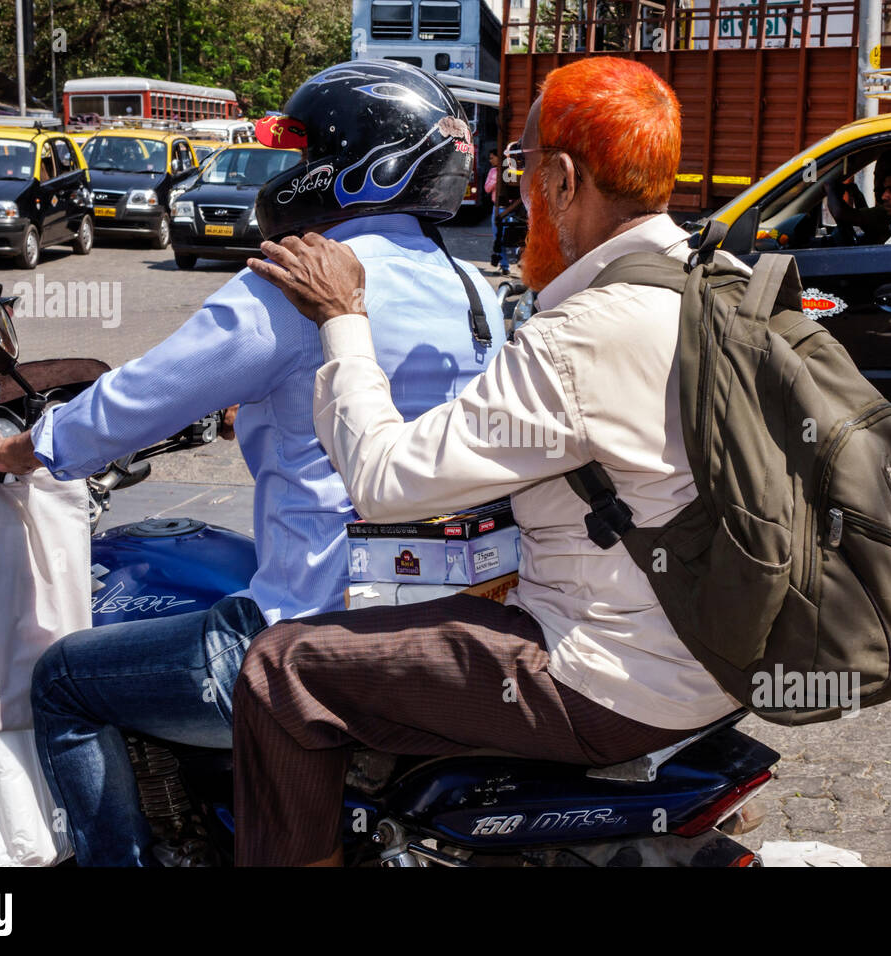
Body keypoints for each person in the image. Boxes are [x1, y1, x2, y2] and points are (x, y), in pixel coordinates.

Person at [0, 60, 505, 867]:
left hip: (307, 624)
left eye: (300, 149)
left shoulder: (294, 285)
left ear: (358, 163)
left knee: (64, 680)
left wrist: (20, 449)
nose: (285, 170)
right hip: (443, 616)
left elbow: (136, 400)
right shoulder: (477, 291)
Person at [234, 56, 744, 866]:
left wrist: (342, 317)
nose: (519, 190)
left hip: (610, 677)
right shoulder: (722, 282)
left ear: (567, 181)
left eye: (526, 168)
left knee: (282, 669)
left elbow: (385, 481)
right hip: (719, 658)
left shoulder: (584, 334)